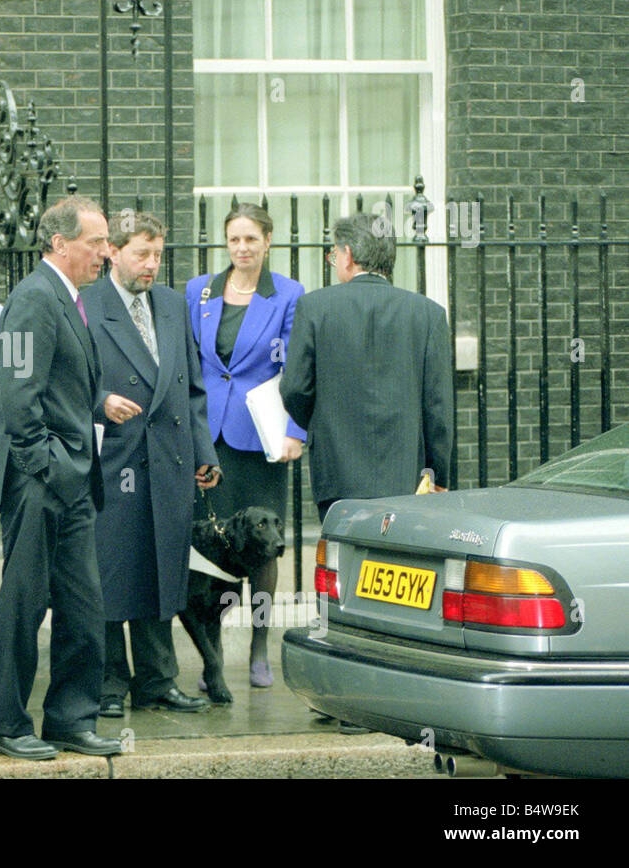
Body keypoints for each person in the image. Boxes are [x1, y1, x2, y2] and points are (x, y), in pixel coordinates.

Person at [0, 195, 136, 761]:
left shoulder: (70, 299)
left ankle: (71, 717)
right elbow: (17, 396)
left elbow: (62, 381)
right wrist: (49, 464)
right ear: (59, 244)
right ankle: (5, 723)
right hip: (38, 480)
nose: (105, 252)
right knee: (24, 603)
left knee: (82, 604)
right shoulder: (30, 299)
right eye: (96, 242)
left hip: (70, 482)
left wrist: (95, 406)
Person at [82, 212, 221, 718]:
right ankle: (109, 684)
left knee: (162, 569)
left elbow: (192, 387)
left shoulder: (170, 302)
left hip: (169, 458)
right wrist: (100, 404)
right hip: (113, 458)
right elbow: (69, 380)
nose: (151, 264)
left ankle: (158, 681)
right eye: (142, 253)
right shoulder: (87, 304)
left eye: (158, 254)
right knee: (112, 571)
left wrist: (204, 455)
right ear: (112, 252)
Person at [186, 203, 305, 690]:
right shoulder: (200, 291)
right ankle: (212, 658)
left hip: (260, 440)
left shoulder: (289, 294)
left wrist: (295, 432)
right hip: (207, 439)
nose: (241, 249)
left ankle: (259, 648)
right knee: (208, 548)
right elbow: (190, 363)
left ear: (268, 241)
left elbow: (299, 368)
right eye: (234, 240)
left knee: (262, 549)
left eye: (251, 240)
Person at [281, 212, 453, 520]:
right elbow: (437, 408)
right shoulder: (429, 315)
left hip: (338, 472)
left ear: (347, 255)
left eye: (334, 254)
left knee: (342, 564)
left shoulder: (314, 307)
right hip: (408, 479)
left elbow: (295, 387)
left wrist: (324, 424)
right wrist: (437, 473)